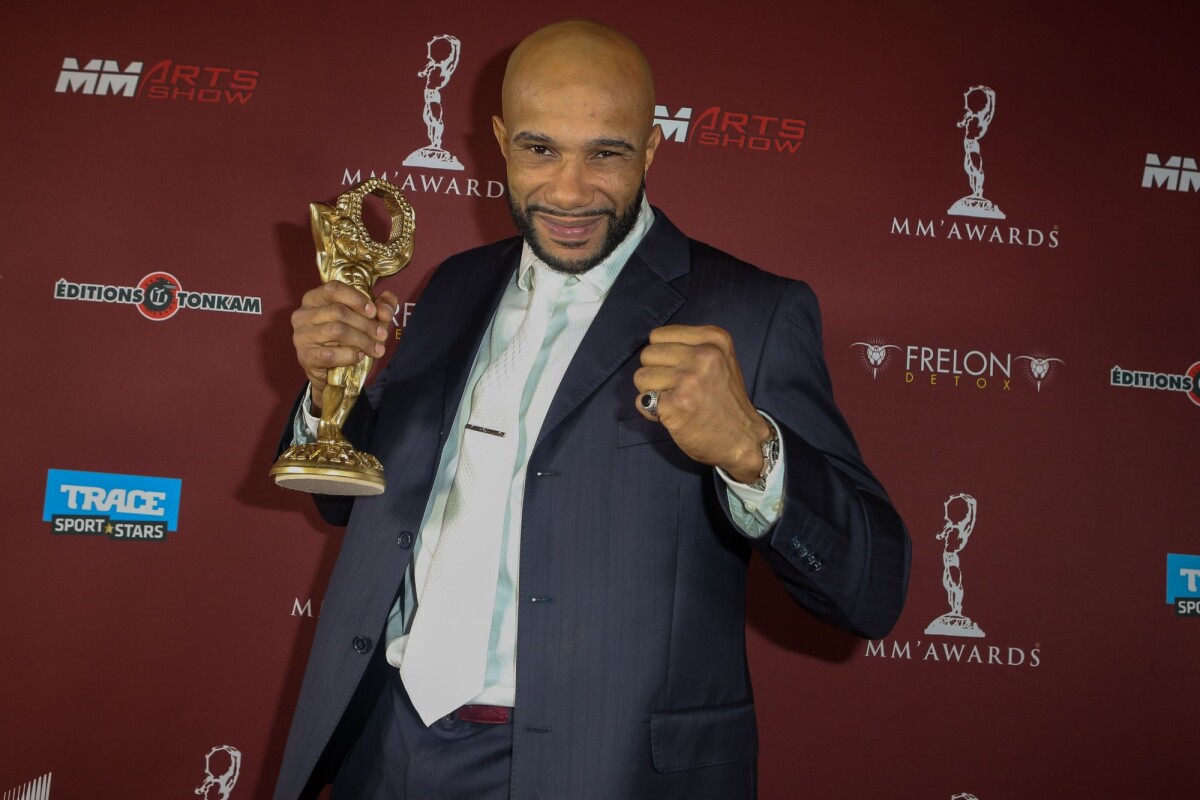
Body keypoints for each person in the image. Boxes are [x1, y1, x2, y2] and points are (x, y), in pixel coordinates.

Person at [274, 20, 910, 800]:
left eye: (605, 152)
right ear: (502, 141)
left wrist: (754, 452)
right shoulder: (455, 286)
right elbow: (353, 504)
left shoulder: (754, 311)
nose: (569, 191)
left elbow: (871, 593)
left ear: (649, 149)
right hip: (387, 742)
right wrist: (323, 394)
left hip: (603, 769)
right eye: (541, 149)